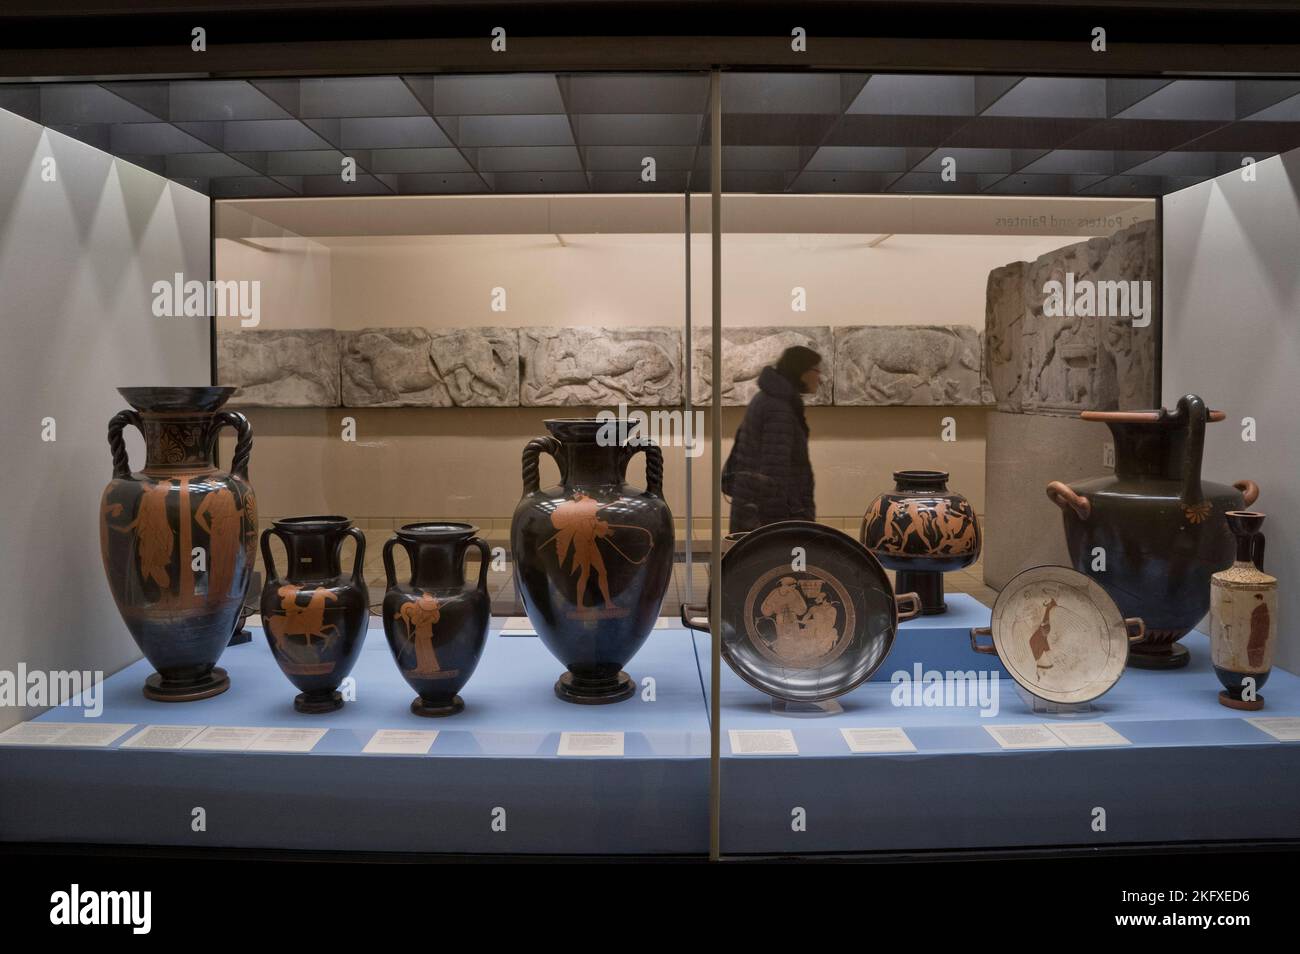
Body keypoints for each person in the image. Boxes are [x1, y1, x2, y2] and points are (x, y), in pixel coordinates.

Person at [724, 345, 821, 533]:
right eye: (816, 370)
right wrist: (785, 524)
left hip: (758, 508)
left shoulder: (772, 399)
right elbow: (774, 472)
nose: (820, 377)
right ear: (801, 371)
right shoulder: (778, 408)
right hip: (770, 515)